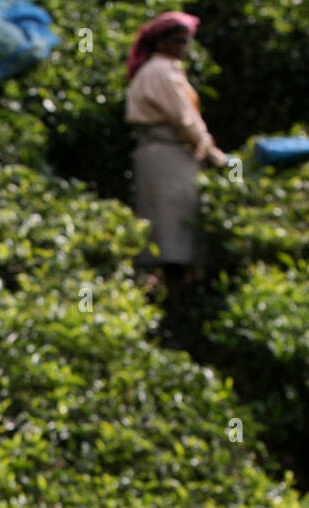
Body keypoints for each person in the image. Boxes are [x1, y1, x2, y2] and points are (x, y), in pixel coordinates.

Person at [124, 11, 227, 316]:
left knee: (166, 225)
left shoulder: (163, 69)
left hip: (163, 155)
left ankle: (173, 297)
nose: (183, 46)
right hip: (168, 156)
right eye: (177, 40)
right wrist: (212, 152)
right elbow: (185, 120)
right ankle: (177, 303)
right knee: (173, 227)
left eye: (186, 41)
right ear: (161, 41)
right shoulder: (161, 72)